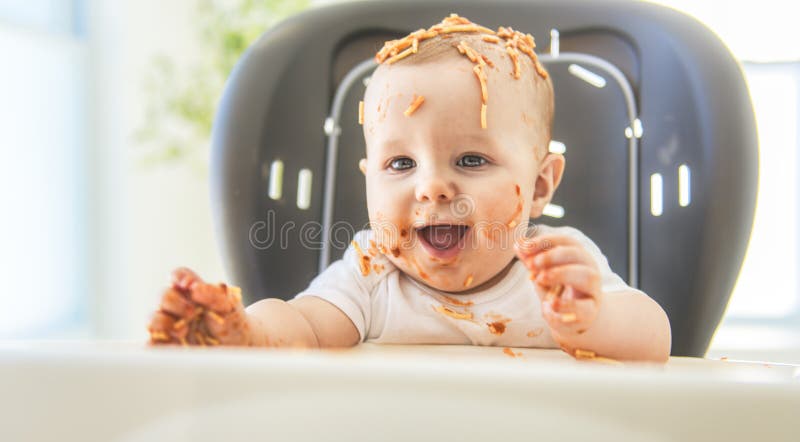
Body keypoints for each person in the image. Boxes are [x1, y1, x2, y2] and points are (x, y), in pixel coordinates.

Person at [148, 14, 671, 362]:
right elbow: (302, 326)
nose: (433, 187)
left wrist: (592, 318)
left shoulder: (554, 272)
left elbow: (656, 340)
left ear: (538, 187)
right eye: (400, 163)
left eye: (470, 159)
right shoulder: (371, 273)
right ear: (369, 181)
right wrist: (242, 332)